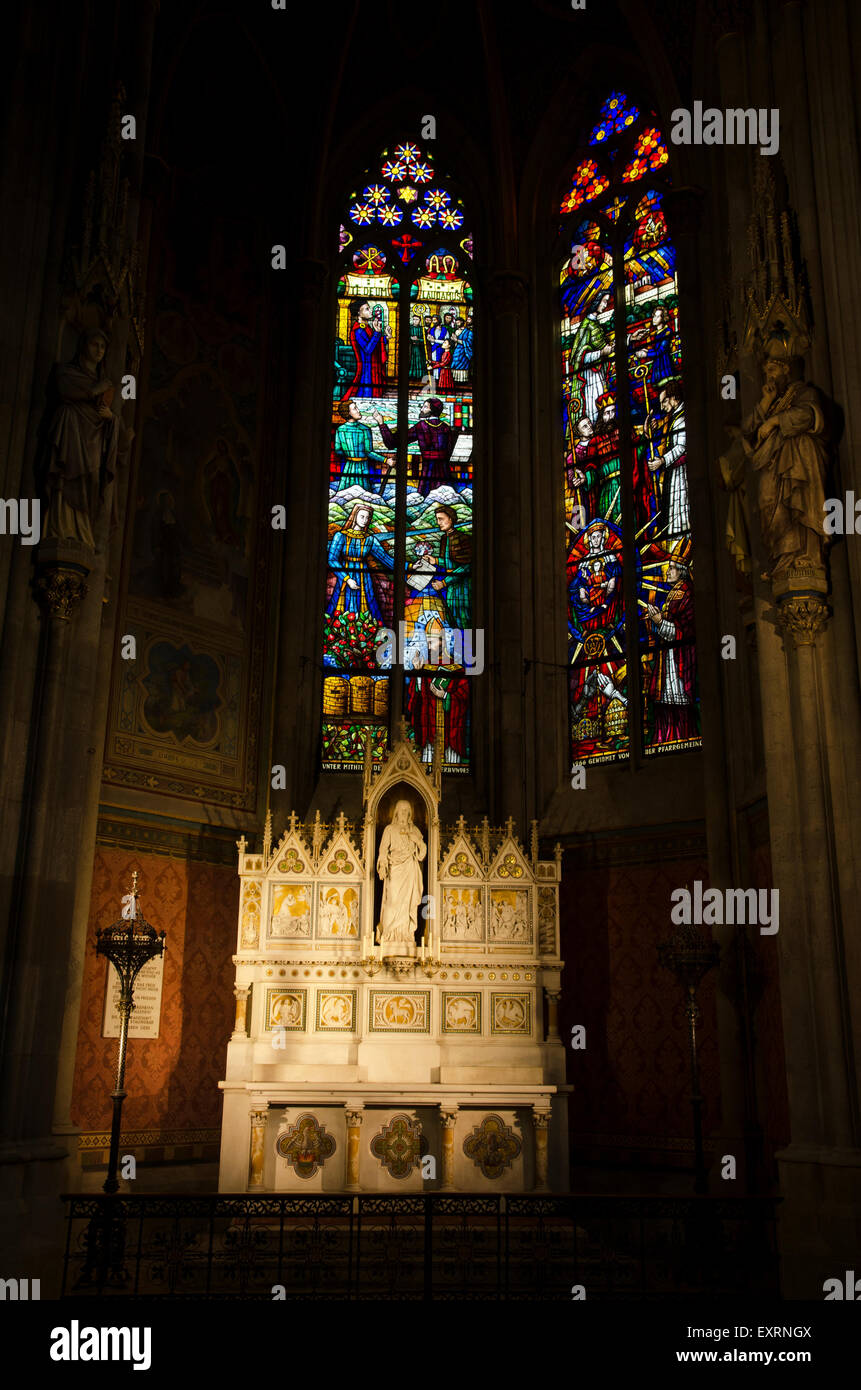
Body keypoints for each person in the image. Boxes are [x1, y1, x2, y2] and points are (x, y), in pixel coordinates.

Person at [38, 327, 122, 548]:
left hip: (94, 438)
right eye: (95, 345)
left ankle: (83, 533)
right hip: (71, 431)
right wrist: (95, 389)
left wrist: (111, 418)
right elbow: (64, 390)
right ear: (83, 346)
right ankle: (58, 527)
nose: (99, 350)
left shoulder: (107, 383)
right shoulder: (66, 371)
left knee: (92, 481)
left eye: (103, 347)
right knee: (65, 476)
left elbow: (111, 416)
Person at [643, 540, 698, 746]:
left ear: (682, 571)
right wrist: (655, 623)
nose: (668, 571)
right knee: (665, 699)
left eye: (672, 568)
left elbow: (685, 630)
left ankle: (683, 737)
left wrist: (659, 622)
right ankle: (665, 738)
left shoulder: (687, 594)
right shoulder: (672, 594)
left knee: (678, 699)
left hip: (681, 659)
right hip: (668, 658)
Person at [371, 397, 459, 497]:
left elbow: (393, 443)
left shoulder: (422, 426)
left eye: (425, 407)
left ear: (432, 410)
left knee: (426, 498)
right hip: (444, 471)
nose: (421, 409)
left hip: (428, 470)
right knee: (446, 496)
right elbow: (450, 450)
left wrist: (381, 423)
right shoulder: (446, 428)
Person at [326, 503, 393, 620]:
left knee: (366, 606)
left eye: (368, 518)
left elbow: (387, 559)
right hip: (344, 576)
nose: (365, 520)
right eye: (362, 516)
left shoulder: (370, 539)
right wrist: (347, 579)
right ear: (354, 516)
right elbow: (332, 559)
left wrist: (411, 566)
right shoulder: (340, 536)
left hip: (364, 578)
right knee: (340, 606)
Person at [377, 800, 427, 947]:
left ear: (410, 813)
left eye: (407, 810)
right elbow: (382, 851)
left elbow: (422, 854)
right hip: (395, 870)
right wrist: (382, 865)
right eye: (401, 810)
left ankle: (405, 934)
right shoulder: (389, 829)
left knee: (407, 903)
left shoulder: (415, 831)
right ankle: (390, 934)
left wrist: (417, 841)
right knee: (392, 901)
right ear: (396, 812)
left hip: (410, 869)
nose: (404, 813)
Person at [333, 399, 388, 493]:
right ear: (348, 413)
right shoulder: (365, 430)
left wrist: (349, 453)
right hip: (362, 468)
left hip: (348, 468)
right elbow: (369, 452)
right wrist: (386, 460)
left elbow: (338, 450)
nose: (358, 410)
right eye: (355, 409)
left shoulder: (340, 429)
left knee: (345, 494)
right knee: (364, 494)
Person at [341, 298, 391, 399]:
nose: (370, 311)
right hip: (367, 369)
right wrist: (377, 333)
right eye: (367, 309)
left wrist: (386, 338)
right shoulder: (358, 330)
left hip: (373, 366)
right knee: (366, 395)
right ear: (359, 313)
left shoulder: (366, 328)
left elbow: (374, 344)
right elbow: (368, 350)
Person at [431, 504, 471, 628]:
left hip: (462, 587)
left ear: (451, 519)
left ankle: (469, 647)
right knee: (451, 617)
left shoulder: (464, 539)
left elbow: (466, 566)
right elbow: (450, 561)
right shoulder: (444, 538)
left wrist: (444, 582)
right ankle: (458, 646)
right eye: (437, 519)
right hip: (450, 586)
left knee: (464, 617)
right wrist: (436, 561)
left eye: (441, 519)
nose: (438, 523)